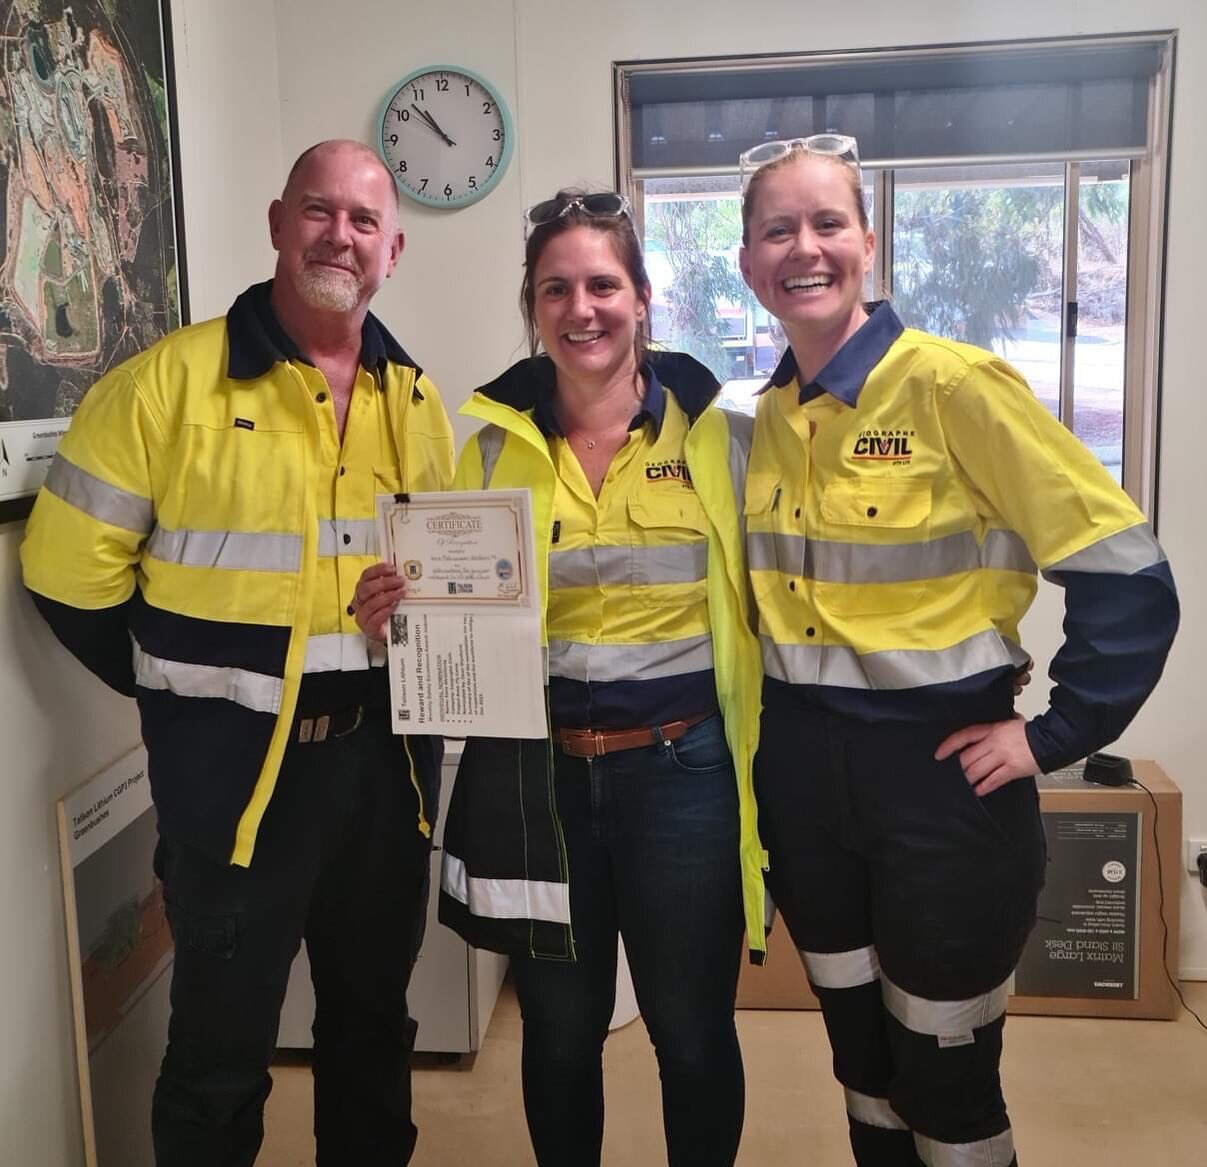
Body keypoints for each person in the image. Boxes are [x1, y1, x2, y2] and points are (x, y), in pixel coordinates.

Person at [735, 133, 1179, 1167]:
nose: (805, 247)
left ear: (867, 241)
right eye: (776, 229)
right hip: (803, 782)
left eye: (827, 222)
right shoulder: (759, 423)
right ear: (749, 263)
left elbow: (1126, 570)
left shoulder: (953, 389)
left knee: (944, 1071)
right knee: (860, 1060)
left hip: (938, 786)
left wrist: (1056, 733)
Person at [20, 139, 454, 1166]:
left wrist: (412, 617)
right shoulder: (163, 387)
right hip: (235, 788)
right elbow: (65, 577)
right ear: (276, 223)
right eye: (317, 210)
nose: (337, 236)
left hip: (382, 778)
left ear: (392, 249)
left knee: (370, 1036)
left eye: (361, 221)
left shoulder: (415, 398)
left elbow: (437, 583)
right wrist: (175, 695)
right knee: (219, 1060)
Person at [364, 188, 765, 1166]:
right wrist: (397, 616)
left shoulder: (721, 438)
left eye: (601, 284)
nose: (581, 308)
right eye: (557, 289)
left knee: (692, 1033)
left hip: (685, 778)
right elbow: (457, 616)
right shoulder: (490, 447)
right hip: (539, 779)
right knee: (557, 1030)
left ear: (641, 297)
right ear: (532, 306)